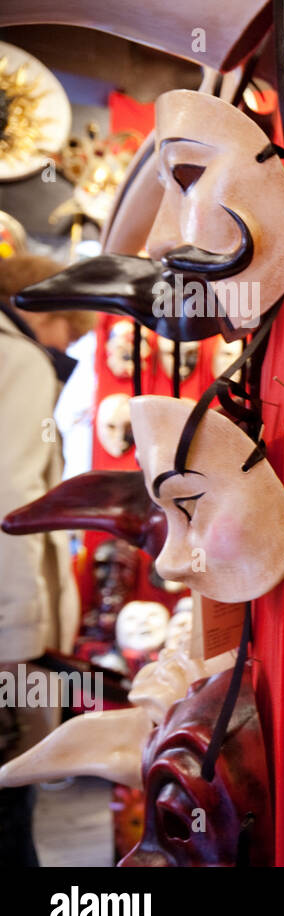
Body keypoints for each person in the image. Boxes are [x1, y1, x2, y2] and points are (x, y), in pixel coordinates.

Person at [0, 253, 93, 865]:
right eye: (69, 329)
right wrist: (17, 639)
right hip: (4, 640)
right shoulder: (18, 361)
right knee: (10, 808)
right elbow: (11, 503)